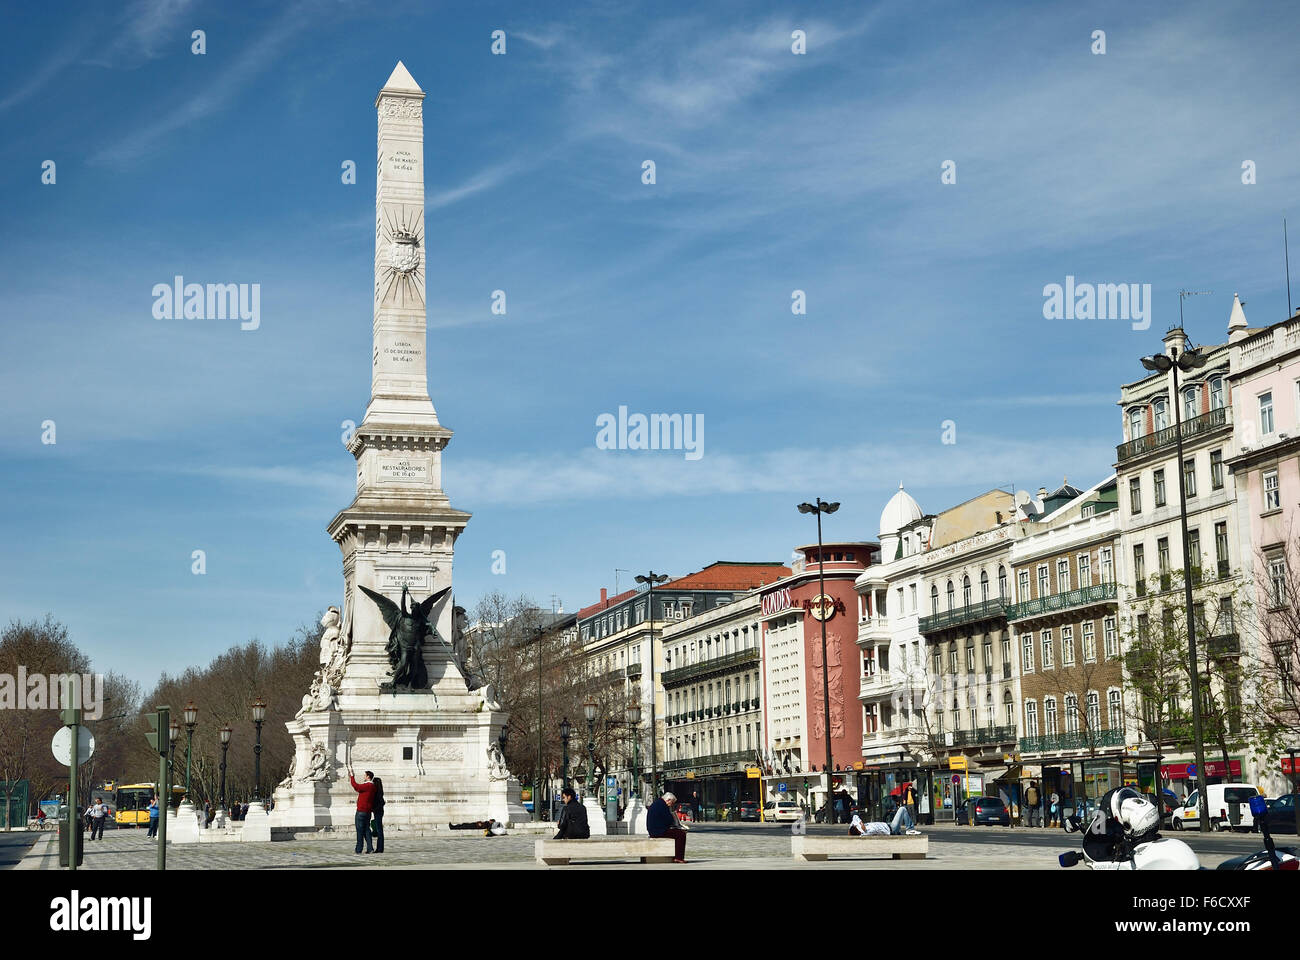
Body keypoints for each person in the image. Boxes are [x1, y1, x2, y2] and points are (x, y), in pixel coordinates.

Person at [646, 792, 688, 863]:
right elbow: (668, 820)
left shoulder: (658, 803)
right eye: (672, 803)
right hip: (658, 832)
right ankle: (678, 857)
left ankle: (676, 856)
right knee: (681, 834)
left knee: (677, 832)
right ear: (668, 800)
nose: (671, 805)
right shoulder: (662, 805)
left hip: (655, 830)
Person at [348, 765, 377, 854]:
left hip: (361, 811)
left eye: (365, 775)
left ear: (368, 777)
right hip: (368, 812)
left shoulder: (368, 786)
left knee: (360, 830)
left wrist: (352, 776)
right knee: (367, 830)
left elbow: (356, 786)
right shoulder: (373, 787)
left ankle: (359, 849)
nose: (364, 777)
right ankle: (370, 848)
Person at [371, 776, 386, 854]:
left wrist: (374, 809)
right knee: (379, 829)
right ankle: (380, 848)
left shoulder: (377, 792)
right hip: (379, 811)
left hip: (378, 812)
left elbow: (382, 802)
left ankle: (380, 848)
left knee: (379, 830)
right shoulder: (379, 791)